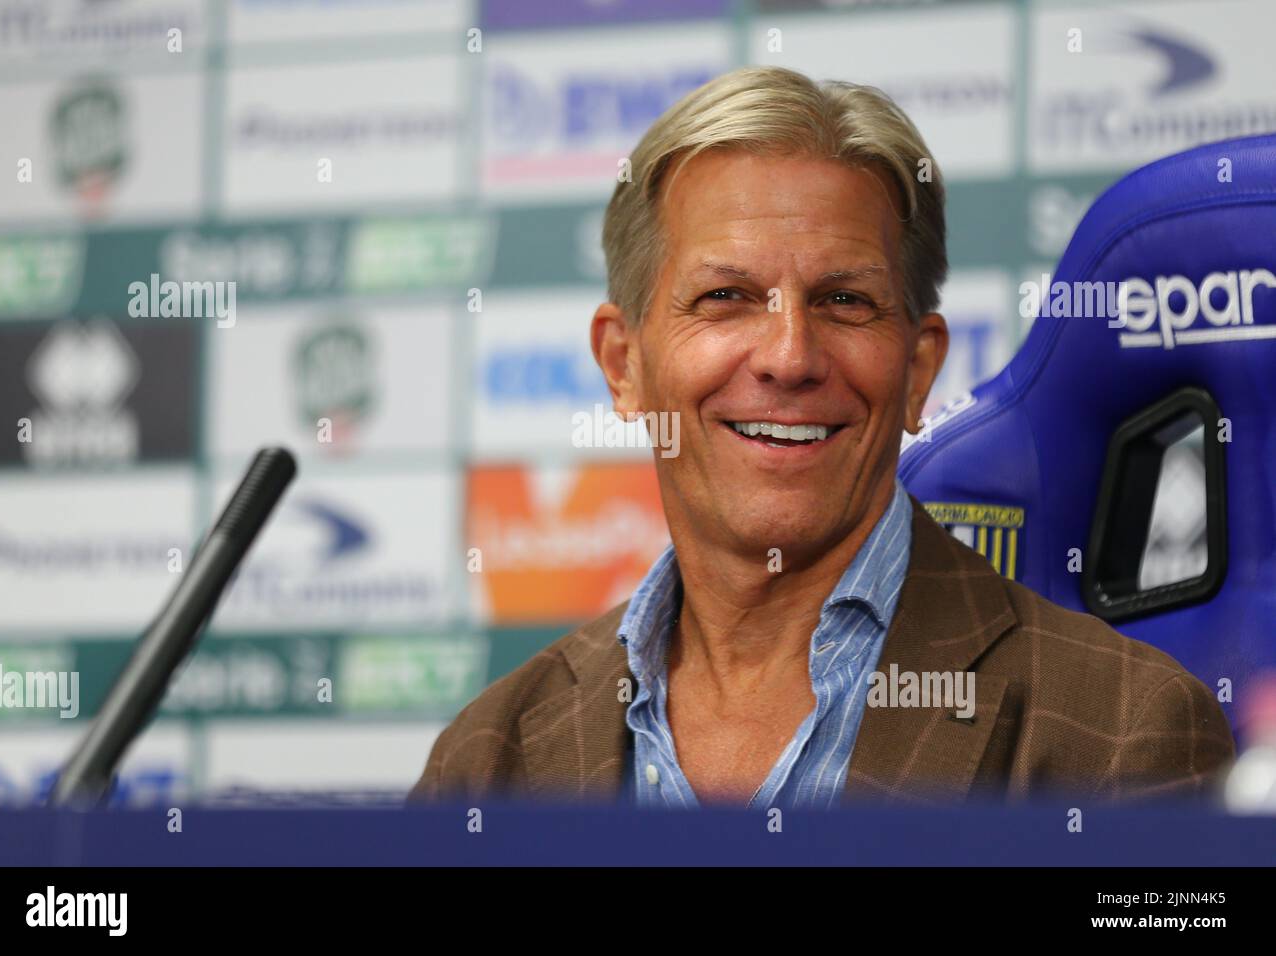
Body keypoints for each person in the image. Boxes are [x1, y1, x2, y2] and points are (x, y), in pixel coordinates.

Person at [411, 66, 1234, 808]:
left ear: (918, 371)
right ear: (623, 366)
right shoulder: (491, 758)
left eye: (844, 301)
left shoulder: (1128, 734)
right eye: (727, 296)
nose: (789, 357)